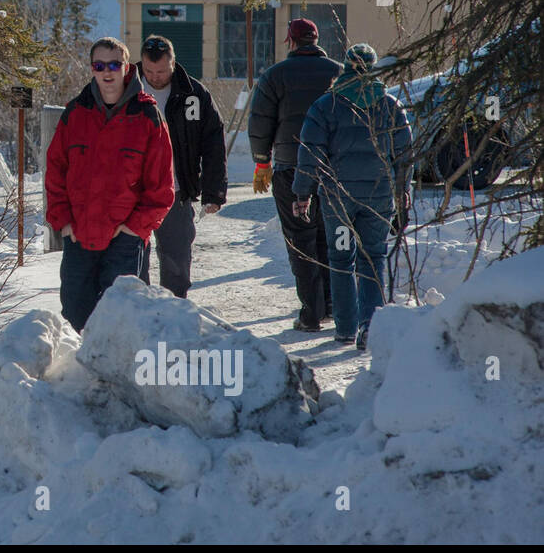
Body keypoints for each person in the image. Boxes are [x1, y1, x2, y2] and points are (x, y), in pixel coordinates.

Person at [45, 37, 175, 332]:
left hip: (125, 241)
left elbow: (161, 188)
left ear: (127, 67)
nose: (107, 72)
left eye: (114, 64)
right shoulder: (76, 113)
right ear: (91, 69)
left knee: (119, 319)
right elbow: (55, 172)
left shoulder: (147, 117)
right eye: (99, 65)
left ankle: (116, 377)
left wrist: (134, 230)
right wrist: (63, 222)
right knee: (76, 312)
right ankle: (83, 377)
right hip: (79, 235)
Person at [292, 44, 413, 350]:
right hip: (378, 196)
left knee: (341, 259)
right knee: (373, 257)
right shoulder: (391, 107)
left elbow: (310, 152)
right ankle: (371, 326)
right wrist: (402, 194)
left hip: (338, 200)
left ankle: (345, 328)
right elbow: (405, 156)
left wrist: (302, 192)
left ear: (344, 68)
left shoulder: (325, 106)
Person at [248, 18, 344, 333]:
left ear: (290, 41)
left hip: (290, 168)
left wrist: (262, 162)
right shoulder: (339, 73)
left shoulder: (274, 76)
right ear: (316, 40)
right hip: (333, 170)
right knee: (328, 237)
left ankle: (311, 313)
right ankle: (331, 305)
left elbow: (261, 122)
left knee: (300, 239)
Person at [136, 34, 228, 297]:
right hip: (132, 194)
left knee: (176, 261)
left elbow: (213, 144)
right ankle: (137, 314)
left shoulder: (194, 94)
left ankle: (173, 316)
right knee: (132, 262)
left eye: (161, 71)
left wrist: (213, 192)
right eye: (149, 70)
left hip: (175, 194)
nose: (154, 76)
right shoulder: (124, 88)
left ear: (173, 64)